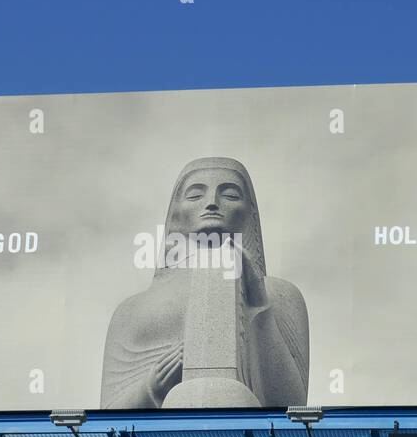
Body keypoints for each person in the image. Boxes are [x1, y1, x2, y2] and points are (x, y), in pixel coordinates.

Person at [100, 157, 309, 409]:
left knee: (226, 394)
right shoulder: (133, 309)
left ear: (249, 212)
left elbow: (290, 405)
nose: (212, 203)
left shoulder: (277, 293)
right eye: (195, 195)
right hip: (167, 435)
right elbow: (109, 416)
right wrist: (154, 385)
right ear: (176, 212)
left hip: (247, 431)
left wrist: (259, 307)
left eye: (230, 195)